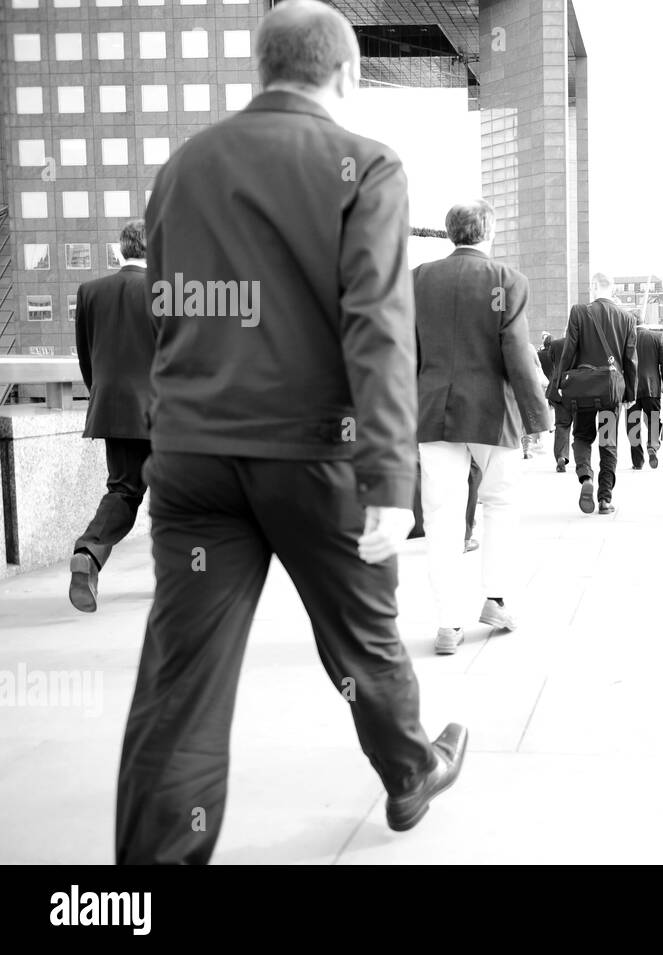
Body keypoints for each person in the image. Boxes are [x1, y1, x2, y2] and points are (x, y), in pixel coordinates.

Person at [117, 0, 466, 865]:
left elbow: (171, 309)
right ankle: (410, 770)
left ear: (259, 69)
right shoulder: (367, 166)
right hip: (318, 454)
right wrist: (390, 481)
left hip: (194, 458)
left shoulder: (182, 168)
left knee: (182, 678)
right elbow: (378, 329)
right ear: (345, 75)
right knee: (362, 638)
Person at [412, 199, 549, 654]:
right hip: (493, 411)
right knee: (500, 506)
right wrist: (538, 418)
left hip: (433, 411)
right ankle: (495, 599)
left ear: (451, 233)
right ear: (488, 232)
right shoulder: (507, 281)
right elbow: (516, 351)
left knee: (442, 518)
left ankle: (448, 625)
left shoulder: (417, 281)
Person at [68, 219, 154, 613]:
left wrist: (103, 398)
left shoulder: (90, 292)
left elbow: (88, 359)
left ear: (122, 249)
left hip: (114, 408)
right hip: (166, 411)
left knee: (122, 490)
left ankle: (88, 553)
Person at [556, 272, 637, 515]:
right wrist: (630, 392)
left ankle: (585, 478)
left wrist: (560, 381)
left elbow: (569, 349)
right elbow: (630, 360)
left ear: (593, 287)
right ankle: (605, 498)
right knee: (608, 440)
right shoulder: (627, 318)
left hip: (582, 389)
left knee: (582, 435)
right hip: (611, 391)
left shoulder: (579, 312)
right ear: (612, 289)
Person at [627, 313, 663, 469]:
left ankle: (637, 461)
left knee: (633, 424)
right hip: (651, 388)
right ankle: (652, 445)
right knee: (653, 419)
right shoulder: (657, 337)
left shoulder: (625, 338)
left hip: (631, 389)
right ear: (642, 322)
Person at [542, 332, 572, 471]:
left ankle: (561, 456)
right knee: (581, 428)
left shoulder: (555, 344)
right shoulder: (583, 343)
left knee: (562, 425)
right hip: (579, 388)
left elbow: (552, 361)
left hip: (559, 387)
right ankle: (582, 459)